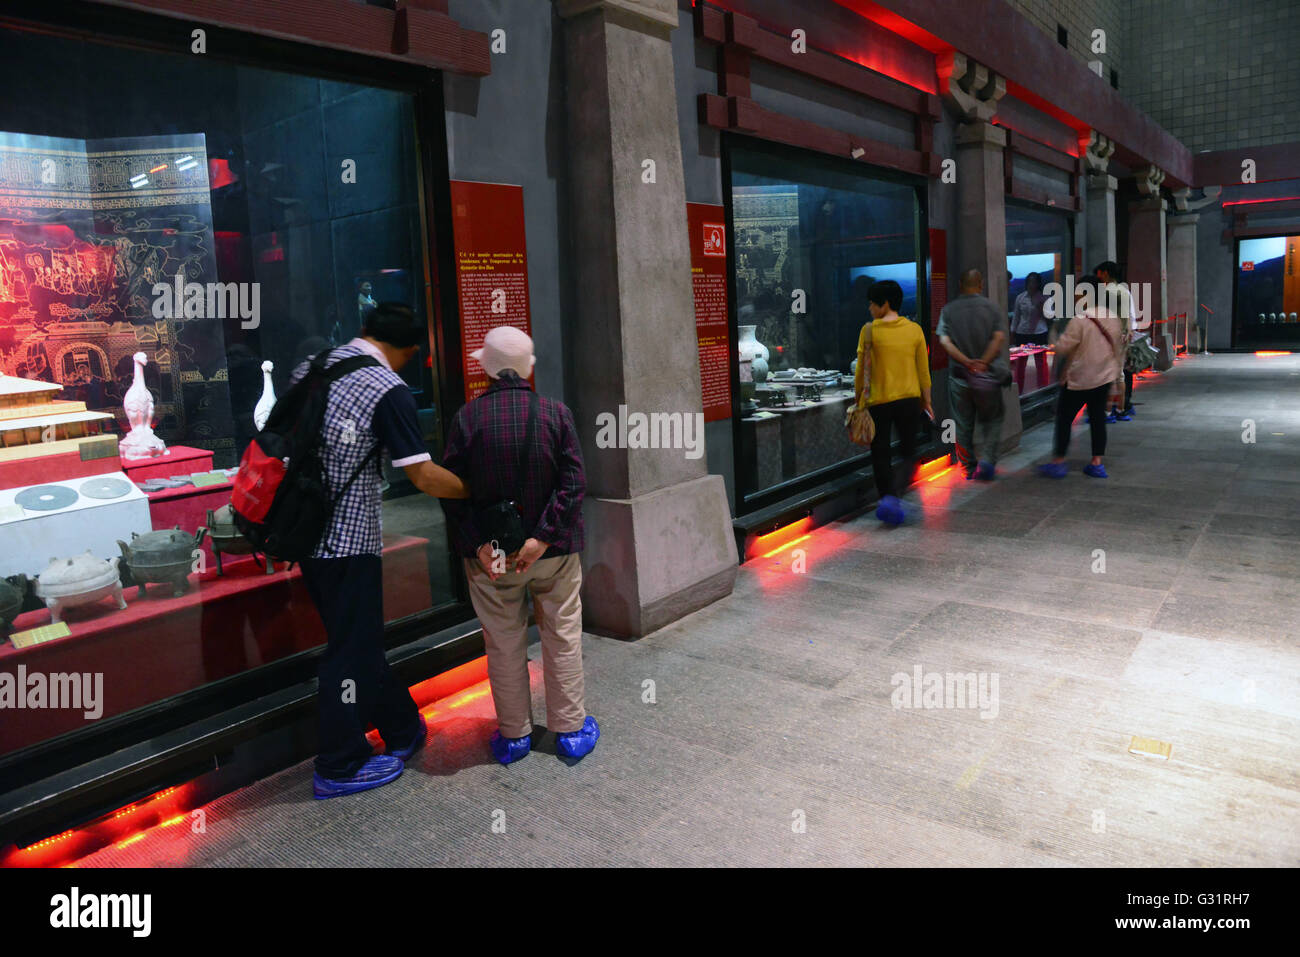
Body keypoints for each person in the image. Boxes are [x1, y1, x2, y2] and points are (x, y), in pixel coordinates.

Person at [294, 302, 470, 799]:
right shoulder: (387, 388)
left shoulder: (314, 366)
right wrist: (476, 489)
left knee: (360, 642)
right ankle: (338, 765)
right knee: (348, 653)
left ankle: (403, 729)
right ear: (411, 351)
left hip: (304, 532)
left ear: (364, 329)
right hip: (348, 539)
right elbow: (422, 474)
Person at [441, 326, 598, 765]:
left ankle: (514, 737)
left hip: (491, 559)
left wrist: (479, 546)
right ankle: (569, 731)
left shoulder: (466, 419)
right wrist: (542, 537)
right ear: (528, 366)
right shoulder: (555, 413)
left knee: (503, 642)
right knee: (562, 635)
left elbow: (452, 492)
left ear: (486, 368)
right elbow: (574, 483)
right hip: (556, 554)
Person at [853, 279, 932, 524]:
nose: (870, 309)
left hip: (879, 402)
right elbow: (923, 371)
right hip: (910, 400)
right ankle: (895, 495)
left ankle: (888, 497)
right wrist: (927, 402)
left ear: (884, 304)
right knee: (909, 450)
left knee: (881, 453)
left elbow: (860, 373)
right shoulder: (914, 330)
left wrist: (859, 402)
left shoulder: (869, 331)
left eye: (872, 304)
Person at [1038, 278, 1125, 479]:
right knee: (1097, 419)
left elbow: (1062, 347)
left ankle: (1058, 462)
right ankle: (1096, 463)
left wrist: (1052, 335)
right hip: (1103, 378)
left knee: (1064, 419)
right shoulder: (1112, 318)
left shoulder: (1080, 320)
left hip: (1079, 379)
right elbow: (1117, 348)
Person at [936, 268, 1010, 480]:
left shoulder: (949, 310)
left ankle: (968, 467)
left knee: (962, 423)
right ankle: (987, 461)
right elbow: (998, 339)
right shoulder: (991, 308)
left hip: (960, 376)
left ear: (961, 285)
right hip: (987, 377)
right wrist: (983, 363)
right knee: (993, 419)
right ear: (981, 284)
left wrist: (966, 362)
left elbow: (945, 341)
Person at [1095, 261, 1135, 421]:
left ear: (1105, 273)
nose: (1098, 276)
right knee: (1119, 375)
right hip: (1122, 336)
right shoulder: (1124, 290)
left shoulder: (1108, 292)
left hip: (1110, 337)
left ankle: (1107, 411)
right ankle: (1120, 409)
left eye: (1099, 273)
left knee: (1109, 375)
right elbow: (1126, 315)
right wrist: (1127, 331)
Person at [1011, 271, 1049, 345]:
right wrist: (1012, 333)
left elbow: (1049, 317)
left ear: (1038, 284)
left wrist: (1040, 307)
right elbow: (1016, 317)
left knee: (1039, 355)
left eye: (1034, 282)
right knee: (1022, 355)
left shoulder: (1044, 298)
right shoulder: (1020, 297)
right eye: (1030, 282)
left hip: (1039, 332)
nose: (1031, 284)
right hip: (1022, 333)